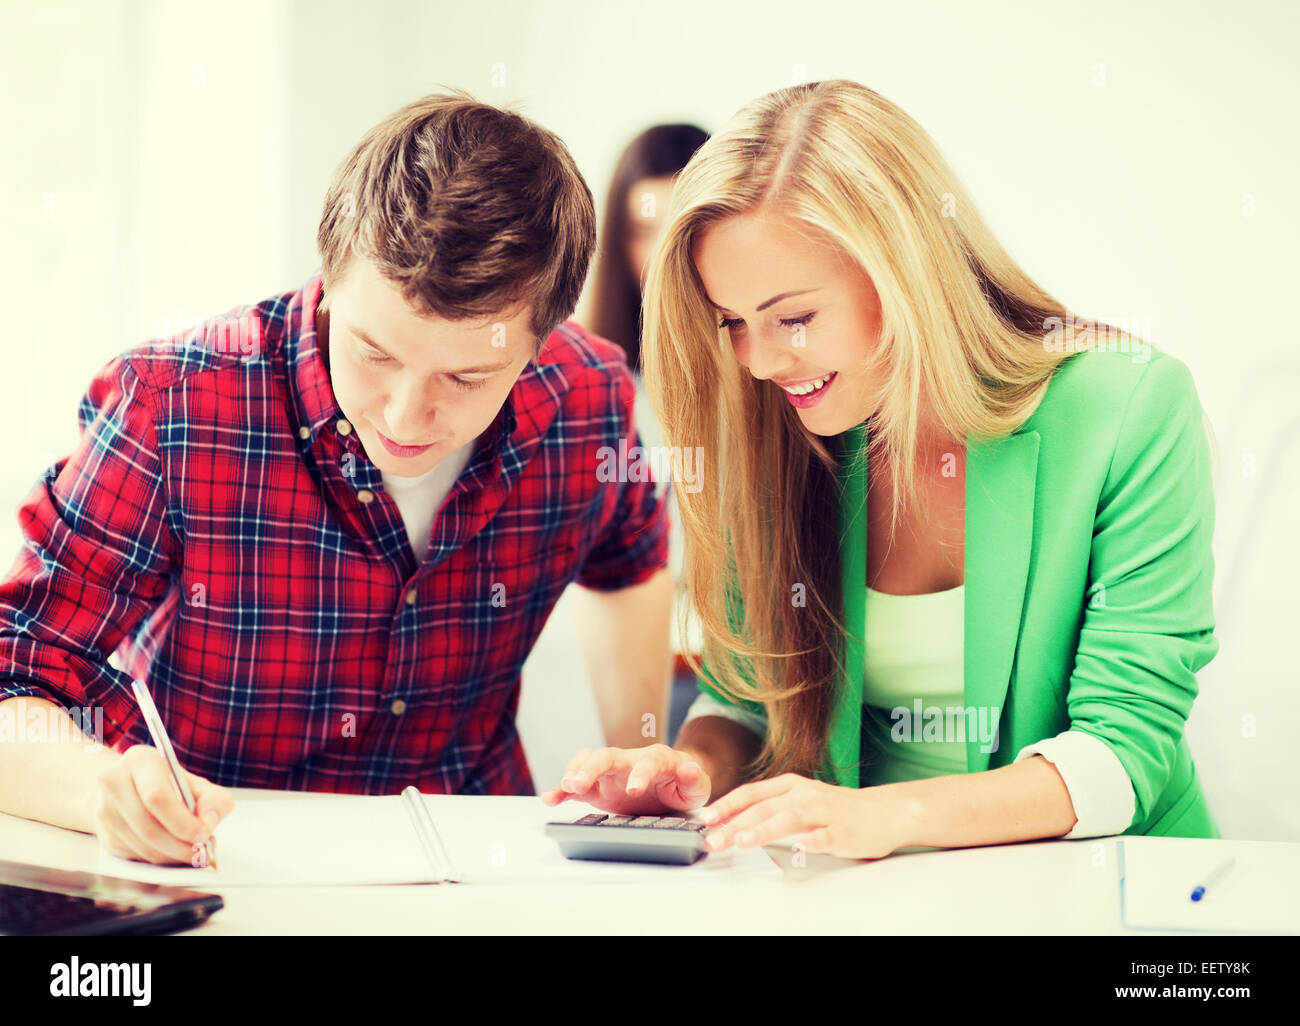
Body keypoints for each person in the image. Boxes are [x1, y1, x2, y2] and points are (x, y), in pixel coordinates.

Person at [543, 79, 1220, 859]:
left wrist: (885, 817)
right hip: (877, 891)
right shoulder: (778, 428)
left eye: (794, 318)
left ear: (906, 270)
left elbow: (1122, 753)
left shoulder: (1130, 408)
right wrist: (689, 769)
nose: (760, 361)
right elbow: (747, 702)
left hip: (1118, 888)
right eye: (732, 321)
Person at [0, 90, 672, 866]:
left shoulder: (588, 395)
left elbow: (627, 565)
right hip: (216, 861)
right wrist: (98, 789)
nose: (405, 415)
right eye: (375, 352)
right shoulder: (173, 407)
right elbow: (15, 672)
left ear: (541, 341)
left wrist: (639, 768)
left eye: (465, 378)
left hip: (477, 866)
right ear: (331, 270)